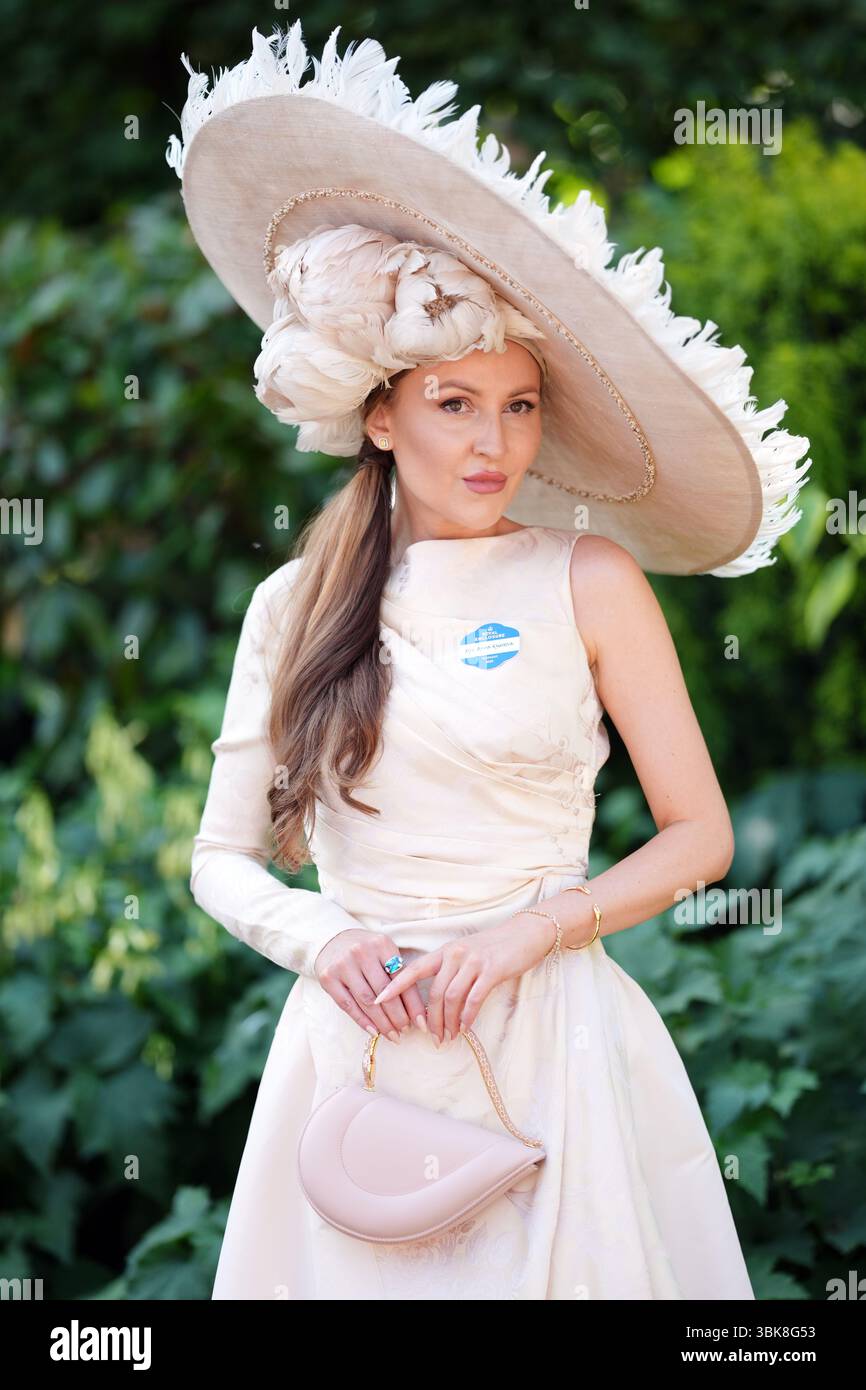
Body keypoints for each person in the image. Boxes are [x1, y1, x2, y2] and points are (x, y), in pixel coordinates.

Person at [166, 21, 811, 1299]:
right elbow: (216, 858)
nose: (492, 442)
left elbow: (699, 837)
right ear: (380, 412)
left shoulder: (587, 578)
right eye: (454, 404)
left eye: (516, 406)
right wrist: (319, 940)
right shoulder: (292, 604)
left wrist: (530, 934)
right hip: (352, 1045)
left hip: (554, 1035)